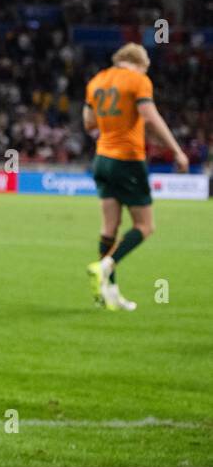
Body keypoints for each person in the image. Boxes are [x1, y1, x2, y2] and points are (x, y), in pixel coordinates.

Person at [83, 42, 190, 311]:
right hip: (127, 160)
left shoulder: (97, 81)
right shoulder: (138, 80)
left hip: (101, 159)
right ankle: (106, 266)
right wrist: (176, 151)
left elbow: (88, 123)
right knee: (145, 226)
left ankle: (110, 294)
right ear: (139, 63)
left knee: (109, 228)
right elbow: (150, 117)